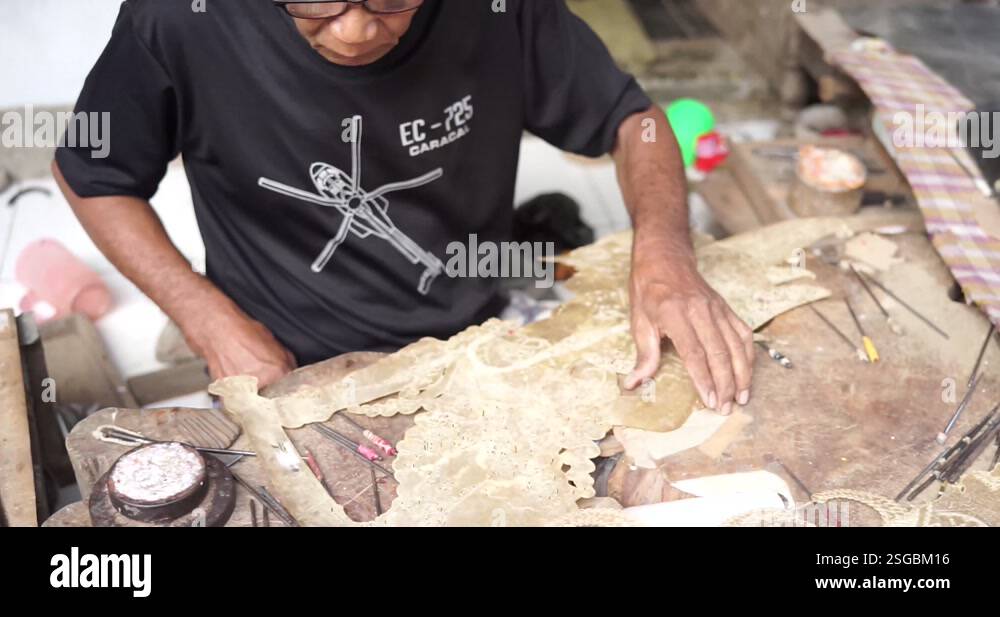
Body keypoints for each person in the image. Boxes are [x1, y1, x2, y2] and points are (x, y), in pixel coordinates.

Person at [54, 0, 754, 415]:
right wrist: (208, 321)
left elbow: (639, 122)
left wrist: (666, 254)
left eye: (392, 2)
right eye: (318, 4)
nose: (356, 31)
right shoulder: (180, 19)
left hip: (475, 330)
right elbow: (90, 173)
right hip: (284, 356)